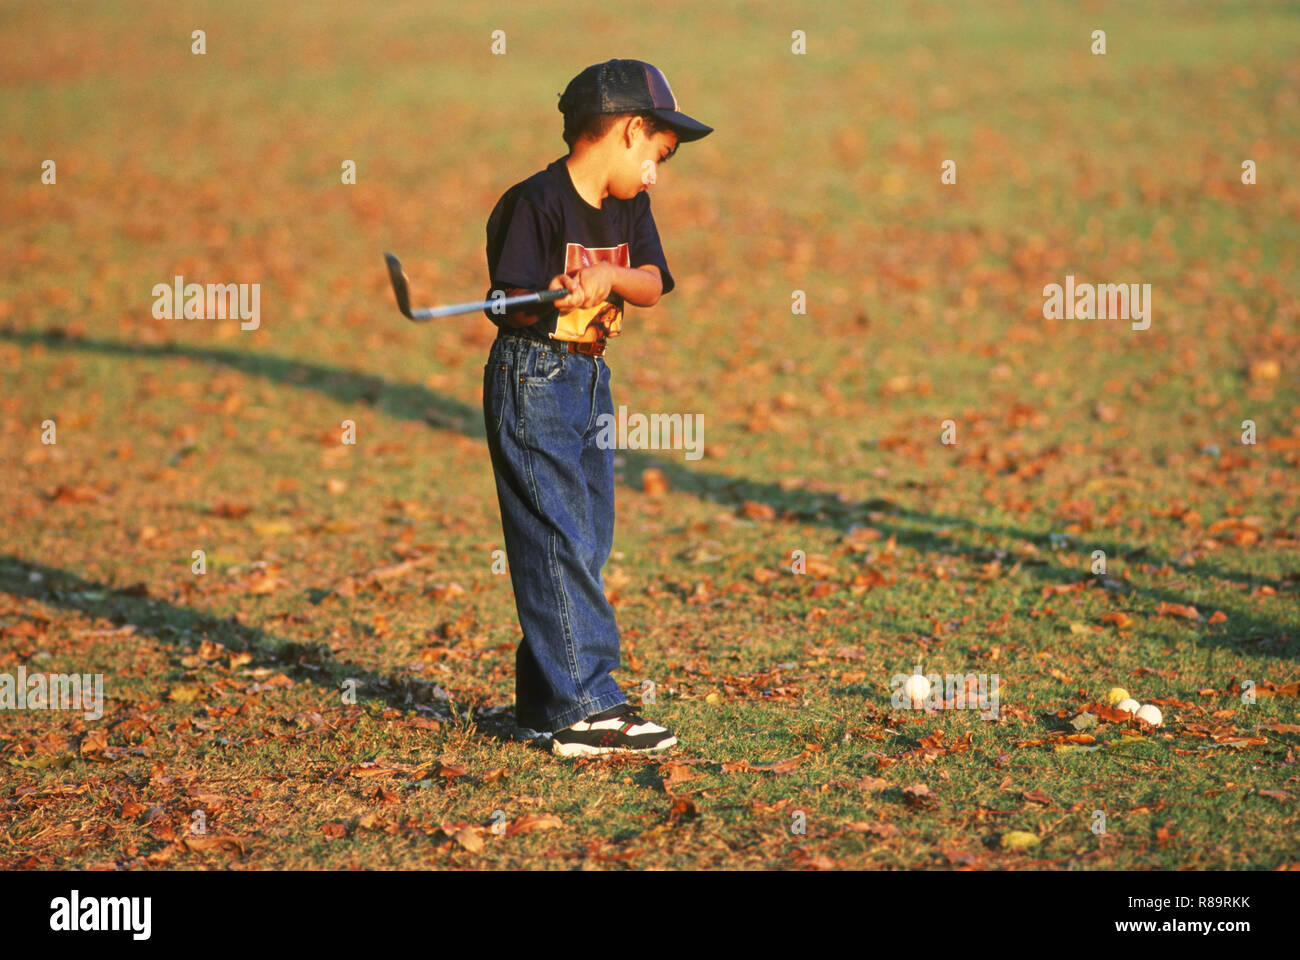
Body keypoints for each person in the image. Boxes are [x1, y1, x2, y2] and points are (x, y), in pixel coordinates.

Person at [479, 59, 712, 756]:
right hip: (533, 378)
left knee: (583, 540)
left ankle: (546, 698)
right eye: (656, 156)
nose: (655, 174)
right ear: (630, 130)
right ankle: (587, 704)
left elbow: (651, 283)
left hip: (589, 381)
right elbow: (506, 305)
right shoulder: (534, 203)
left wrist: (609, 276)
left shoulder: (628, 206)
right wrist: (542, 297)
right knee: (555, 535)